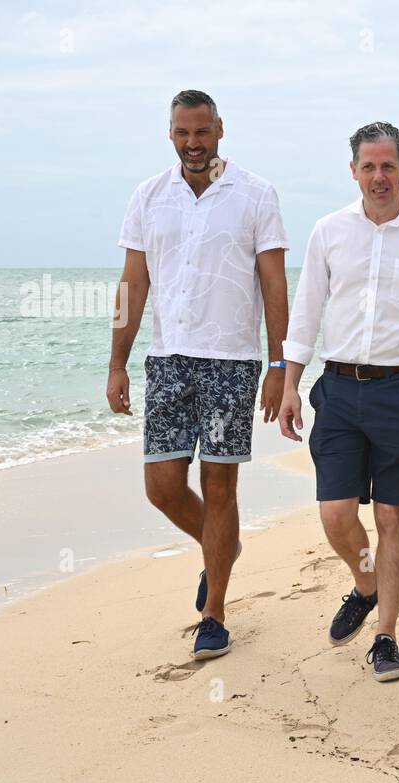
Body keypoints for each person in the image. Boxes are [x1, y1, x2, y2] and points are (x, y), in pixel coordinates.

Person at [278, 121, 399, 683]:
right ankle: (365, 584)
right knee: (336, 514)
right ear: (353, 170)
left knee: (390, 516)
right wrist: (288, 382)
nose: (378, 176)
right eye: (368, 166)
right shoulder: (329, 231)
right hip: (337, 388)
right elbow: (306, 310)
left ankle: (385, 636)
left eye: (388, 166)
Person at [108, 89, 289, 661]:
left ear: (220, 130)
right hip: (167, 359)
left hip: (231, 361)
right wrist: (117, 361)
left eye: (202, 132)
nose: (193, 143)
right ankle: (222, 551)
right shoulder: (148, 196)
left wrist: (280, 366)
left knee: (219, 486)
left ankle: (215, 614)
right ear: (170, 134)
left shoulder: (256, 194)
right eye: (183, 133)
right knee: (160, 487)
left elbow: (274, 287)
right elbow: (132, 285)